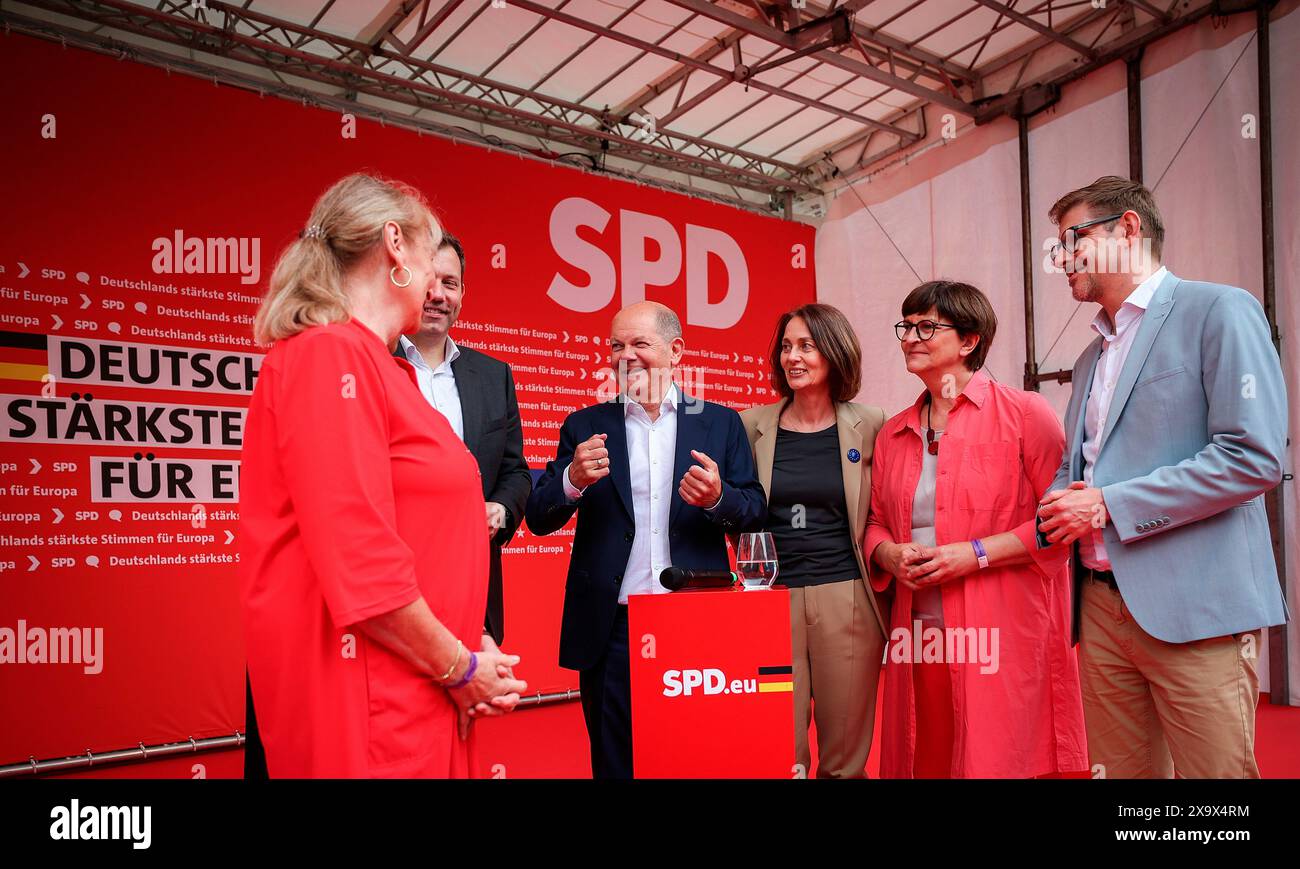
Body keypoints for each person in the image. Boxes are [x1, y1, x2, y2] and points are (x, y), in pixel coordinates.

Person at [240, 173, 526, 777]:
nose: (435, 279)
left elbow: (414, 536)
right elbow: (362, 565)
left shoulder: (380, 366)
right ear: (395, 245)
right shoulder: (330, 355)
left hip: (416, 684)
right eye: (431, 256)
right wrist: (461, 665)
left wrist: (472, 645)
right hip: (372, 698)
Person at [1037, 176, 1288, 779]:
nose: (1061, 257)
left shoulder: (1219, 310)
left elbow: (1252, 456)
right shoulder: (1092, 356)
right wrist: (1058, 497)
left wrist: (1106, 505)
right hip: (1098, 608)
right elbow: (1081, 467)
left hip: (1194, 607)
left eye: (1072, 238)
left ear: (1128, 228)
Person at [524, 300, 766, 779]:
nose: (624, 355)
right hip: (612, 628)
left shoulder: (721, 423)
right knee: (616, 764)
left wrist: (718, 498)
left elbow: (754, 512)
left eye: (639, 344)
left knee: (696, 759)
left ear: (676, 351)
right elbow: (538, 517)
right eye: (616, 345)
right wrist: (572, 480)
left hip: (695, 624)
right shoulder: (585, 425)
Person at [866, 280, 1087, 778]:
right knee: (930, 752)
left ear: (969, 341)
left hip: (1004, 625)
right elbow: (876, 522)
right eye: (907, 326)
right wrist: (888, 556)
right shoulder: (894, 431)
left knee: (1001, 755)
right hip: (918, 629)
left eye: (928, 327)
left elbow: (1060, 521)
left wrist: (975, 554)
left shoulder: (1026, 414)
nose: (911, 338)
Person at [739, 303, 887, 778]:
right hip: (768, 601)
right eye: (786, 346)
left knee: (844, 756)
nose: (792, 357)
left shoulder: (872, 424)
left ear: (835, 351)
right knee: (779, 748)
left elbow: (888, 509)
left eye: (806, 345)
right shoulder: (749, 425)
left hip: (846, 597)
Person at [393, 231, 532, 648]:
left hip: (473, 591)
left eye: (449, 284)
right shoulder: (369, 364)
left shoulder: (494, 376)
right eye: (428, 281)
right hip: (395, 587)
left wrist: (501, 509)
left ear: (462, 294)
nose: (438, 295)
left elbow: (515, 472)